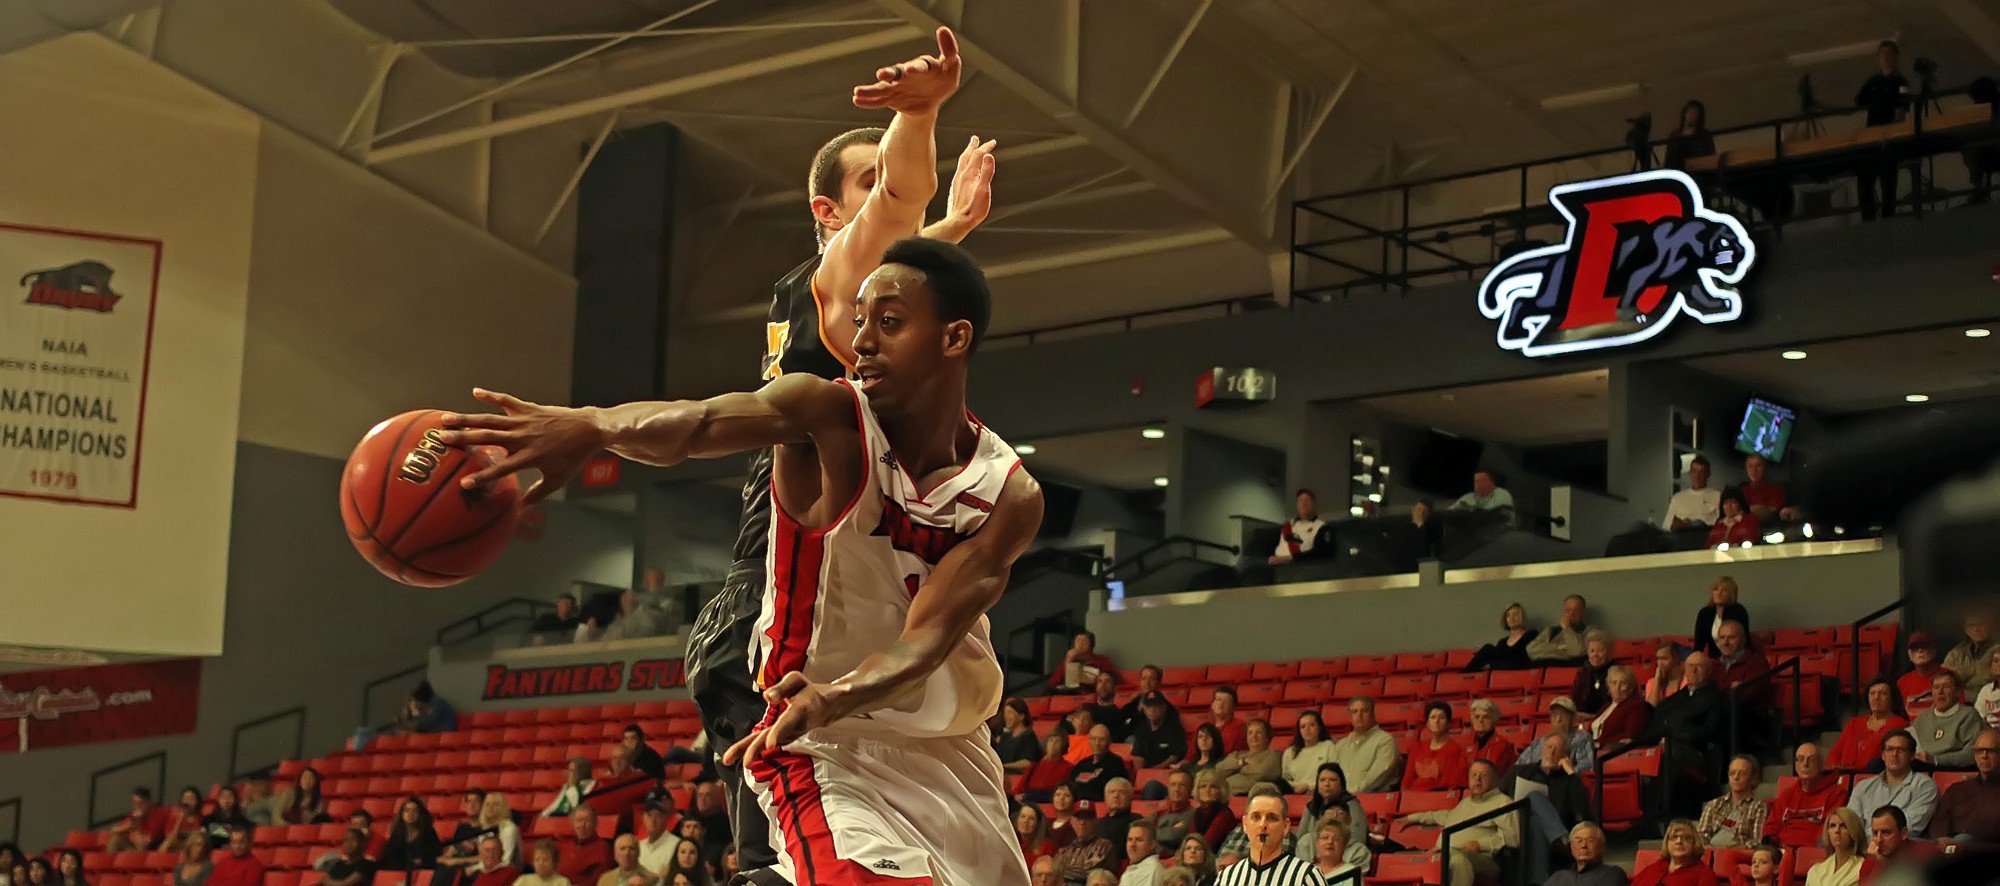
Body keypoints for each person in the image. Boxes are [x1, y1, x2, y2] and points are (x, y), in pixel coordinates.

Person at [456, 236, 1034, 885]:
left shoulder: (1008, 493)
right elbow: (699, 423)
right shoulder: (827, 417)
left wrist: (839, 692)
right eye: (862, 317)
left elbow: (923, 644)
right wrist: (594, 426)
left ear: (954, 339)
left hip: (954, 754)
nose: (863, 338)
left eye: (890, 322)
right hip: (821, 740)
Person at [666, 23, 996, 875]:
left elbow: (900, 245)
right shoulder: (824, 281)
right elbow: (895, 205)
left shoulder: (861, 302)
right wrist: (918, 121)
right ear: (827, 211)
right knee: (778, 859)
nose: (891, 196)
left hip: (827, 600)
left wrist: (953, 222)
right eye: (868, 180)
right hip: (777, 601)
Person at [1398, 760, 1516, 886]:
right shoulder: (1464, 803)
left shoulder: (1503, 803)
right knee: (1398, 857)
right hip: (1446, 853)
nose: (1478, 779)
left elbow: (1512, 837)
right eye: (1473, 775)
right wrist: (1412, 818)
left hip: (1483, 859)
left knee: (1457, 858)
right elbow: (1445, 816)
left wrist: (1480, 844)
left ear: (1495, 780)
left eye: (1483, 775)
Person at [1213, 786, 1325, 885]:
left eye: (1272, 818)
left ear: (1285, 827)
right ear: (1245, 824)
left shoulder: (1306, 876)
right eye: (1256, 817)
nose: (1263, 824)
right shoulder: (1227, 877)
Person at [1853, 40, 1911, 220]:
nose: (1885, 58)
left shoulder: (1902, 83)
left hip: (1888, 144)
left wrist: (1890, 134)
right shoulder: (1873, 82)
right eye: (1882, 54)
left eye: (1889, 54)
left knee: (1888, 187)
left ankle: (1888, 221)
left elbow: (1901, 113)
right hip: (1870, 142)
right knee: (1864, 184)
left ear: (1896, 57)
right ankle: (1868, 222)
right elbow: (1854, 104)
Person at [1848, 730, 1938, 832]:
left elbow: (1909, 829)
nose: (1894, 754)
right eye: (1890, 749)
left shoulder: (1925, 786)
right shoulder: (1863, 786)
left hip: (1900, 847)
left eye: (1901, 750)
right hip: (1861, 846)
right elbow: (1851, 824)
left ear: (1912, 756)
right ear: (1882, 755)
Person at [1766, 743, 1849, 849]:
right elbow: (1772, 827)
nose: (1805, 764)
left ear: (1821, 764)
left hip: (1812, 852)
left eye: (1811, 759)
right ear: (1795, 765)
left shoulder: (1836, 794)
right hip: (1782, 851)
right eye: (1800, 759)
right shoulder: (1787, 795)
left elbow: (1830, 829)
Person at [1927, 726, 2000, 845]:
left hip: (1986, 851)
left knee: (1963, 839)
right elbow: (1939, 822)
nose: (1984, 756)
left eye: (1990, 751)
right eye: (1979, 751)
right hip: (1950, 850)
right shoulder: (1956, 790)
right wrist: (1943, 840)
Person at [1292, 766, 1367, 869]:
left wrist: (1329, 852)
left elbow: (1358, 836)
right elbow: (1301, 835)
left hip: (1343, 852)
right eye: (1322, 780)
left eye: (1332, 780)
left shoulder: (1351, 804)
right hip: (1314, 851)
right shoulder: (1312, 805)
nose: (1327, 784)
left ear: (1342, 784)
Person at [1829, 679, 1908, 772]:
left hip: (1874, 777)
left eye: (1883, 693)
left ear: (1892, 699)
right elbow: (1835, 752)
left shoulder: (1899, 724)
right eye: (1872, 693)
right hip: (1844, 775)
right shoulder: (1854, 722)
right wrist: (1834, 767)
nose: (1876, 697)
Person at [1914, 670, 1981, 771]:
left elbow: (1972, 753)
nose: (1940, 692)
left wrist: (1936, 760)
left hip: (1953, 770)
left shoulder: (1968, 715)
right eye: (1936, 687)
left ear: (1958, 692)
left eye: (1946, 687)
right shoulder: (1922, 718)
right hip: (1921, 769)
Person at [1698, 755, 1770, 849]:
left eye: (1742, 774)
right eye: (1732, 773)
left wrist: (1728, 849)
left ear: (1753, 778)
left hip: (1736, 855)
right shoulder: (1714, 804)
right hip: (1709, 853)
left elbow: (1757, 842)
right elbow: (1701, 835)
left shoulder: (1758, 807)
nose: (1736, 777)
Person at [1329, 697, 1399, 792]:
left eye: (1364, 711)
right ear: (1350, 717)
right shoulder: (1341, 745)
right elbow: (1330, 775)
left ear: (1373, 714)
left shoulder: (1385, 741)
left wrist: (1348, 794)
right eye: (1354, 712)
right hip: (1341, 799)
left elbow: (1378, 777)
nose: (1359, 715)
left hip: (1371, 799)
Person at [1516, 696, 1595, 772]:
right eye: (1555, 714)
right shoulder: (1538, 743)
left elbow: (1586, 768)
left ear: (1573, 718)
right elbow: (1518, 767)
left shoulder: (1582, 739)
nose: (1559, 719)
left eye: (1563, 715)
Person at [1628, 820, 1718, 886]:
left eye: (1686, 838)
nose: (1679, 841)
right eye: (1674, 837)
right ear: (1667, 843)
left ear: (1695, 843)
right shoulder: (1656, 867)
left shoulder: (1704, 874)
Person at [1403, 702, 1469, 791]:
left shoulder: (1454, 750)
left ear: (1449, 724)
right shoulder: (1417, 748)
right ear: (1427, 723)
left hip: (1437, 797)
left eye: (1441, 718)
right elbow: (1407, 780)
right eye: (1433, 717)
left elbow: (1449, 784)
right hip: (1413, 796)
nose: (1436, 721)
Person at [1803, 807, 1873, 886]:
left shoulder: (1863, 868)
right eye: (1832, 826)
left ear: (1854, 830)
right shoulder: (1815, 871)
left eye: (1843, 826)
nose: (1837, 830)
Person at [1545, 822, 1628, 886]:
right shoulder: (1559, 876)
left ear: (1602, 846)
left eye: (1590, 841)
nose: (1584, 845)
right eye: (1579, 841)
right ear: (1571, 847)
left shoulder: (1612, 873)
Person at [1215, 720, 1282, 796]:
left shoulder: (1274, 755)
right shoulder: (1237, 755)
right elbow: (1218, 771)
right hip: (1224, 795)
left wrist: (1234, 769)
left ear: (1267, 737)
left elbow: (1261, 773)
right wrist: (1243, 762)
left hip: (1250, 796)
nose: (1254, 736)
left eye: (1258, 733)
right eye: (1250, 733)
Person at [1864, 805, 1940, 872]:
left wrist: (1885, 866)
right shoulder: (1871, 860)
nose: (1879, 840)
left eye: (1886, 832)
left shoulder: (1928, 855)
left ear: (1904, 833)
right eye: (1875, 833)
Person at [1594, 666, 1652, 752]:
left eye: (1623, 683)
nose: (1618, 687)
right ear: (1608, 686)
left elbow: (1630, 735)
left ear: (1631, 688)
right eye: (1614, 683)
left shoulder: (1637, 706)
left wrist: (1600, 743)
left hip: (1610, 752)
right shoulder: (1606, 707)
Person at [1462, 603, 1534, 672]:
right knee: (1489, 656)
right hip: (1503, 669)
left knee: (1488, 649)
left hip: (1521, 666)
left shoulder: (1530, 634)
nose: (1511, 618)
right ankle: (1465, 675)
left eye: (1515, 614)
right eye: (1508, 616)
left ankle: (1464, 674)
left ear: (1522, 617)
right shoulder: (1502, 642)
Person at [1693, 576, 1750, 658]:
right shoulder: (1705, 613)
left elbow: (1741, 642)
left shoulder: (1738, 611)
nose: (1719, 594)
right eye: (1716, 590)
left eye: (1724, 591)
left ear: (1731, 594)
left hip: (1737, 657)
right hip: (1714, 659)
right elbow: (1699, 644)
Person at [1281, 711, 1337, 793]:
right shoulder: (1290, 752)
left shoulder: (1328, 746)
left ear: (1319, 727)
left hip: (1321, 792)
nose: (1307, 729)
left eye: (1312, 725)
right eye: (1303, 727)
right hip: (1295, 792)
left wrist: (1308, 786)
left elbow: (1332, 775)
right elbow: (1286, 779)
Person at [1131, 692, 1189, 770]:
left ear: (1164, 707)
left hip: (1169, 771)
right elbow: (1138, 756)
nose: (1152, 709)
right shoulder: (1141, 729)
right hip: (1147, 772)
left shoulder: (1175, 728)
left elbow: (1175, 756)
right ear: (1144, 709)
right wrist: (1141, 774)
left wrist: (1155, 770)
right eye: (1149, 706)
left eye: (1156, 705)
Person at [557, 807, 613, 886]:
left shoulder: (602, 848)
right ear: (573, 823)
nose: (582, 825)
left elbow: (601, 881)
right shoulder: (564, 845)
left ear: (595, 824)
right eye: (579, 820)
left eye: (587, 821)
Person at [1055, 809, 1113, 886]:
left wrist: (1065, 873)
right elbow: (1054, 873)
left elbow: (1090, 873)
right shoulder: (1065, 850)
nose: (1082, 823)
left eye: (1087, 818)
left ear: (1095, 821)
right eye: (1078, 819)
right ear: (1071, 822)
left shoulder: (1104, 846)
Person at [1268, 489, 1327, 564]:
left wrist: (1289, 559)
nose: (1303, 504)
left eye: (1307, 500)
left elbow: (1320, 554)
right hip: (1275, 566)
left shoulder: (1321, 526)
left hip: (1300, 567)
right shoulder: (1288, 525)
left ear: (1314, 504)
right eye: (1300, 500)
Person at [1528, 595, 1592, 664]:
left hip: (1569, 670)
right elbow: (1531, 649)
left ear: (1582, 612)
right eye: (1568, 610)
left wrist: (1567, 628)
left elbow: (1576, 652)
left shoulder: (1589, 631)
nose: (1571, 613)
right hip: (1545, 669)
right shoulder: (1552, 630)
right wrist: (1557, 647)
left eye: (1576, 610)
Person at [1944, 613, 1997, 692]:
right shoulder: (1956, 653)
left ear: (1991, 625)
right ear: (1966, 629)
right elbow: (1943, 677)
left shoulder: (1997, 651)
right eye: (1972, 625)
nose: (1976, 629)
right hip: (1959, 701)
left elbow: (1987, 678)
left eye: (1981, 624)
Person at [1666, 455, 1721, 531]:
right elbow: (1666, 526)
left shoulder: (1717, 496)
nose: (1697, 476)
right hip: (1682, 537)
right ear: (1690, 473)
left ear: (1708, 474)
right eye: (1694, 472)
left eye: (1701, 472)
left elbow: (1722, 524)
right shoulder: (1677, 498)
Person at [1462, 699, 1518, 773]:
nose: (1480, 720)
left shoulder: (1502, 744)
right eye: (1477, 716)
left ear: (1494, 721)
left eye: (1485, 717)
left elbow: (1490, 774)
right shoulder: (1466, 744)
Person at [107, 787, 171, 852]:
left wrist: (137, 825)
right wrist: (128, 826)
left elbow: (144, 844)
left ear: (148, 802)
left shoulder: (157, 814)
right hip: (135, 850)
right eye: (135, 803)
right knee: (116, 839)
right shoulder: (134, 816)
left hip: (149, 852)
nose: (137, 807)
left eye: (140, 803)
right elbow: (113, 830)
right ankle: (108, 861)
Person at [1663, 100, 1716, 172]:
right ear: (1685, 114)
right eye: (1690, 112)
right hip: (1678, 171)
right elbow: (1669, 159)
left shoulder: (1704, 135)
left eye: (1695, 114)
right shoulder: (1675, 135)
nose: (1692, 116)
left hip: (1700, 171)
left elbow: (1710, 156)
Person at [1572, 632, 1617, 716]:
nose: (1595, 655)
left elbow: (1616, 705)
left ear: (1609, 652)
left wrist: (1593, 717)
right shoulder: (1583, 673)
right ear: (1588, 654)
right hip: (1583, 719)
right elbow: (1575, 700)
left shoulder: (1617, 671)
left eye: (1600, 651)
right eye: (1592, 651)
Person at [450, 837, 521, 886]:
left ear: (501, 852)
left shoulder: (510, 873)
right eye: (486, 850)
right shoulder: (474, 874)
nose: (490, 854)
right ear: (480, 854)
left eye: (494, 850)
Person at [1120, 822, 1164, 886]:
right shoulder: (1139, 867)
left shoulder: (1151, 870)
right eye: (1130, 840)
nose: (1132, 844)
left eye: (1139, 840)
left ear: (1153, 844)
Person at [1645, 642, 1686, 707]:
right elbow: (1650, 709)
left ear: (1676, 659)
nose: (1660, 663)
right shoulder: (1652, 683)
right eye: (1658, 659)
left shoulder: (1686, 681)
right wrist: (1657, 681)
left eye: (1664, 658)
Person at [1977, 647, 2000, 728]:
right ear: (1991, 666)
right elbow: (1978, 717)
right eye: (1995, 661)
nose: (1999, 664)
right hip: (1988, 731)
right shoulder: (1986, 690)